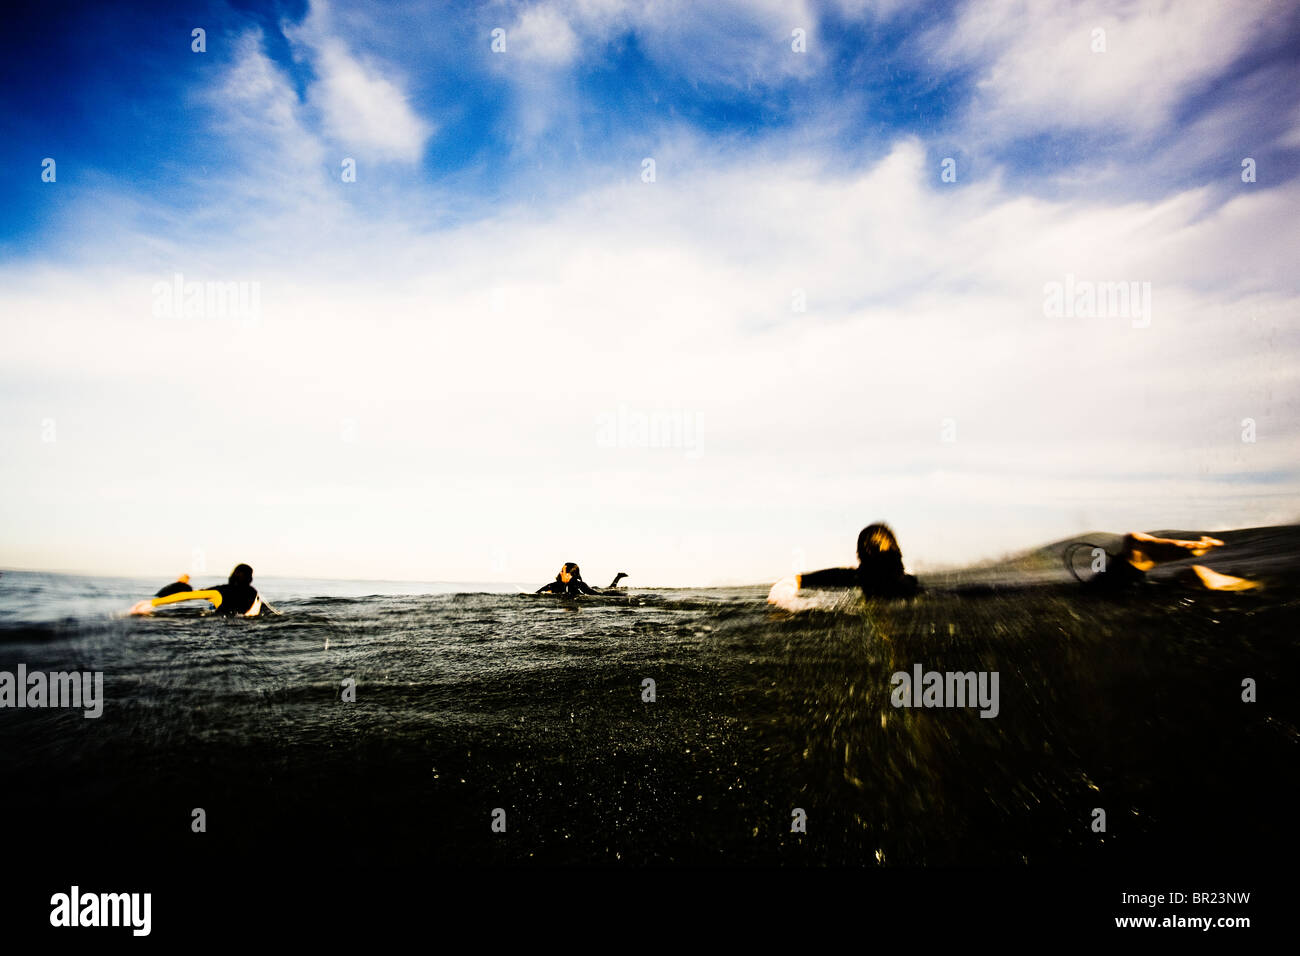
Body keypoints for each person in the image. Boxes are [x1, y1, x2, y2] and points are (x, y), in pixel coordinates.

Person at [1080, 531, 1258, 591]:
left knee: (1195, 574)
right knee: (1196, 574)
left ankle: (1200, 547)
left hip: (1125, 590)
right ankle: (1252, 585)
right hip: (1125, 595)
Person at [789, 523, 920, 599]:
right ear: (898, 554)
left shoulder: (864, 580)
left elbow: (841, 576)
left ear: (861, 556)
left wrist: (801, 580)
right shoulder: (913, 586)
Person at [130, 563, 270, 616]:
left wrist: (152, 603)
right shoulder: (254, 593)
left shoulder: (218, 592)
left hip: (223, 626)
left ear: (232, 575)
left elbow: (185, 596)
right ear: (250, 579)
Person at [536, 563, 600, 597]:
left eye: (562, 571)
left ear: (568, 575)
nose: (560, 573)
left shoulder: (578, 585)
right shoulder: (554, 585)